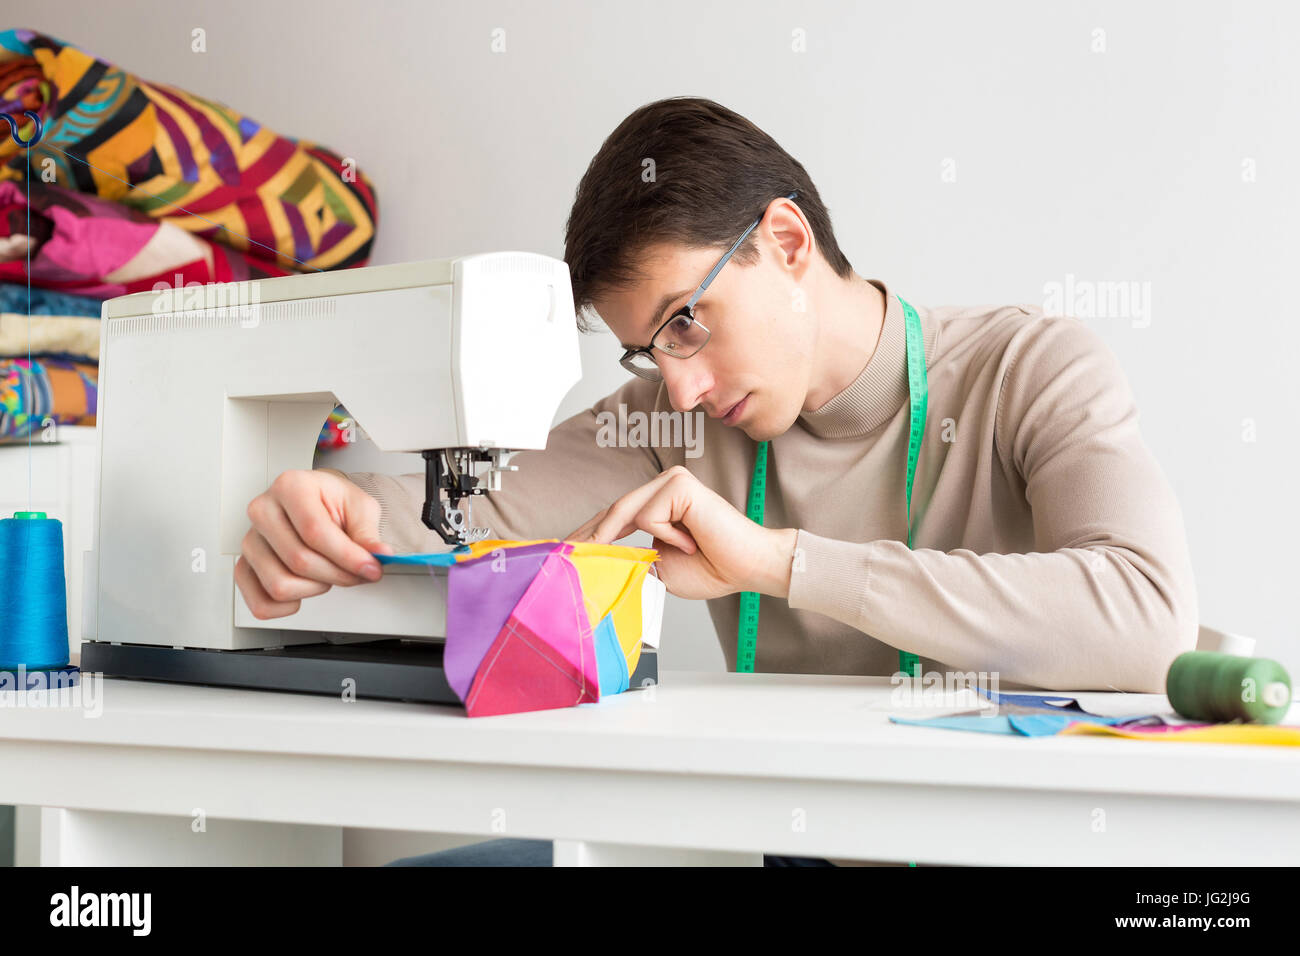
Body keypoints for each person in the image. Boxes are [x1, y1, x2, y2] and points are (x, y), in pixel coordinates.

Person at [234, 97, 1198, 866]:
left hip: (1006, 853)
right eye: (645, 351)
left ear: (786, 242)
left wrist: (778, 563)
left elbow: (1147, 619)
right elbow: (473, 513)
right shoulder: (670, 415)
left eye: (687, 320)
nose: (680, 381)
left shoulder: (1029, 368)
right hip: (783, 845)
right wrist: (340, 514)